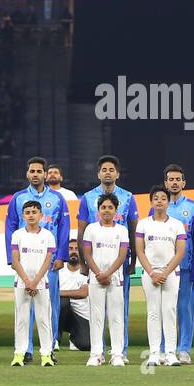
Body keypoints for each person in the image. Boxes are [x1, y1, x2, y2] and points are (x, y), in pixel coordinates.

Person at [5, 157, 69, 363]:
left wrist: (62, 256)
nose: (35, 174)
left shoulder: (58, 198)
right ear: (27, 174)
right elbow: (10, 227)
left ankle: (48, 349)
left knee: (48, 307)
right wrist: (11, 259)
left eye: (39, 171)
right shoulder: (18, 197)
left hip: (49, 258)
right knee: (24, 308)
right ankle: (26, 350)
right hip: (24, 260)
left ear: (45, 174)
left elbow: (64, 228)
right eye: (32, 171)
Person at [78, 156, 139, 359]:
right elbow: (82, 232)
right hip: (95, 264)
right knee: (96, 312)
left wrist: (133, 261)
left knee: (119, 311)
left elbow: (133, 231)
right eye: (104, 169)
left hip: (119, 264)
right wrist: (83, 264)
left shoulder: (128, 197)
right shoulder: (87, 197)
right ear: (98, 173)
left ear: (117, 174)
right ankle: (98, 353)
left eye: (111, 169)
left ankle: (120, 351)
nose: (107, 173)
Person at [135, 185, 186, 367]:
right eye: (156, 198)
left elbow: (180, 252)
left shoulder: (176, 225)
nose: (159, 201)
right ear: (151, 201)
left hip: (171, 273)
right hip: (150, 273)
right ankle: (155, 353)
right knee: (153, 312)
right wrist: (151, 272)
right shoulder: (143, 224)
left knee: (170, 311)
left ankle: (171, 353)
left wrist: (165, 272)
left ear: (168, 201)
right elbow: (140, 250)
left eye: (163, 198)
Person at [162, 164, 194, 364]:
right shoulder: (159, 205)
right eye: (171, 179)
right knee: (164, 308)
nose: (174, 182)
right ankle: (163, 347)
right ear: (165, 183)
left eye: (178, 179)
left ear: (184, 183)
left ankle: (184, 349)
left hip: (185, 268)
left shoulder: (193, 207)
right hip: (163, 269)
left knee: (185, 309)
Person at [84, 193, 131, 366]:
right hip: (96, 278)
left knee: (116, 316)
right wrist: (99, 273)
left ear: (116, 211)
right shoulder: (91, 229)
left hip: (115, 279)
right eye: (103, 207)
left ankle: (117, 354)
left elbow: (122, 255)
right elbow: (87, 253)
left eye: (110, 207)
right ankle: (96, 354)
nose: (106, 210)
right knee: (96, 316)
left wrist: (108, 273)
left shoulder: (122, 230)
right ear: (98, 210)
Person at [9, 199, 57, 368]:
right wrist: (27, 281)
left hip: (41, 283)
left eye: (34, 212)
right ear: (23, 215)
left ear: (41, 215)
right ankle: (19, 354)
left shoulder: (48, 236)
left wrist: (35, 282)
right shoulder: (17, 235)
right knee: (21, 319)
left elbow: (48, 261)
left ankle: (46, 355)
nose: (31, 215)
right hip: (22, 283)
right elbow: (15, 260)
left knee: (44, 318)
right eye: (27, 212)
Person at [58, 240, 91, 353]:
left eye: (76, 249)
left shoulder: (87, 270)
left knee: (86, 345)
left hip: (82, 315)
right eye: (70, 249)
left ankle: (74, 337)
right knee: (63, 302)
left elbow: (83, 293)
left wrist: (59, 293)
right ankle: (55, 340)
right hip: (62, 312)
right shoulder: (59, 270)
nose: (73, 252)